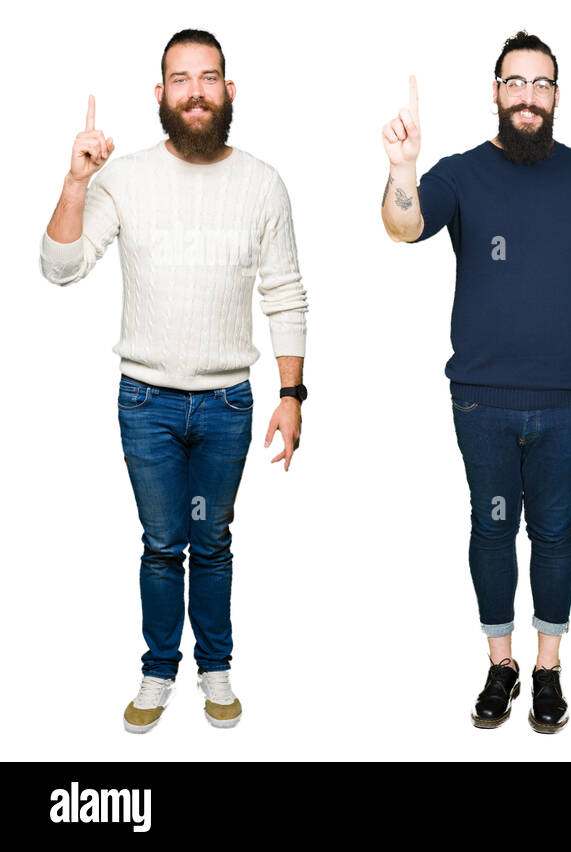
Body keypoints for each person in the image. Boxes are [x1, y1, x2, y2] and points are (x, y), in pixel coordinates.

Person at [39, 29, 309, 733]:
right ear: (160, 94)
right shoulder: (122, 177)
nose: (195, 91)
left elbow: (285, 293)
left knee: (212, 538)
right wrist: (75, 181)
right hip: (146, 401)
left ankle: (214, 668)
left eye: (208, 77)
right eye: (181, 79)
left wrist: (291, 394)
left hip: (228, 402)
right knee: (163, 544)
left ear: (229, 91)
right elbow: (60, 268)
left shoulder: (261, 182)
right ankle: (159, 671)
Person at [381, 31, 571, 734]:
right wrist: (403, 169)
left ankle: (548, 668)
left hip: (565, 402)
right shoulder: (461, 173)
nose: (528, 97)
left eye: (542, 85)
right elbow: (403, 226)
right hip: (482, 399)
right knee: (493, 529)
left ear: (555, 96)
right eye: (516, 83)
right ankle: (501, 664)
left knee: (555, 530)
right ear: (496, 92)